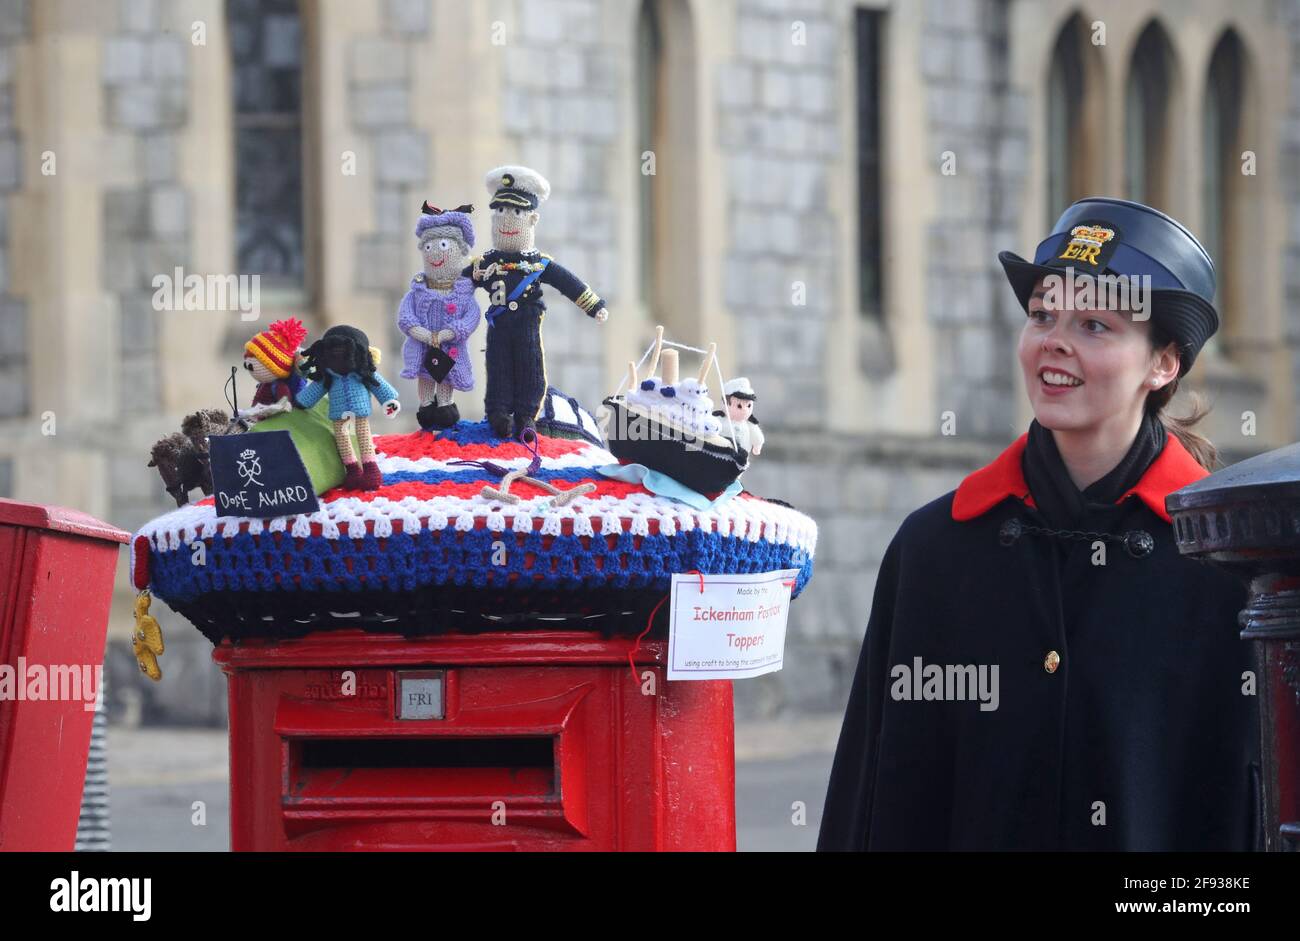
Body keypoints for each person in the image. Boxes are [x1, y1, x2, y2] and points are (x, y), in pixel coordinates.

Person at [818, 197, 1263, 851]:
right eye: (1043, 314)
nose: (1054, 339)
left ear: (1163, 363)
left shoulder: (1231, 565)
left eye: (1094, 323)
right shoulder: (935, 551)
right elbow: (877, 799)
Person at [463, 166, 610, 440]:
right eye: (501, 212)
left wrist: (594, 305)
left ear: (532, 219)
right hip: (498, 324)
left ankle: (527, 415)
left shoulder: (538, 263)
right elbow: (461, 285)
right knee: (498, 367)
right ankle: (498, 413)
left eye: (516, 212)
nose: (506, 220)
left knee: (530, 366)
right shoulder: (487, 263)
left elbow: (568, 283)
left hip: (528, 324)